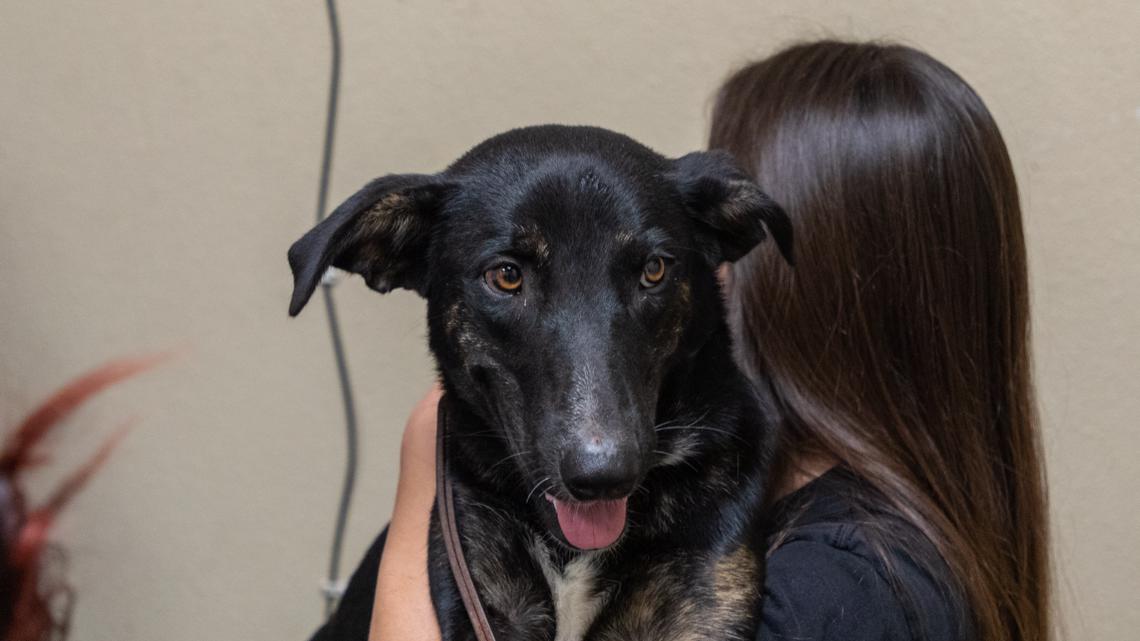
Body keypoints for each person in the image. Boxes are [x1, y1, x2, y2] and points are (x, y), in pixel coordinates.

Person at [313, 40, 1049, 641]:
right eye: (508, 277)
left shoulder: (845, 586)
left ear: (802, 275)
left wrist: (421, 477)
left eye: (665, 263)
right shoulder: (806, 498)